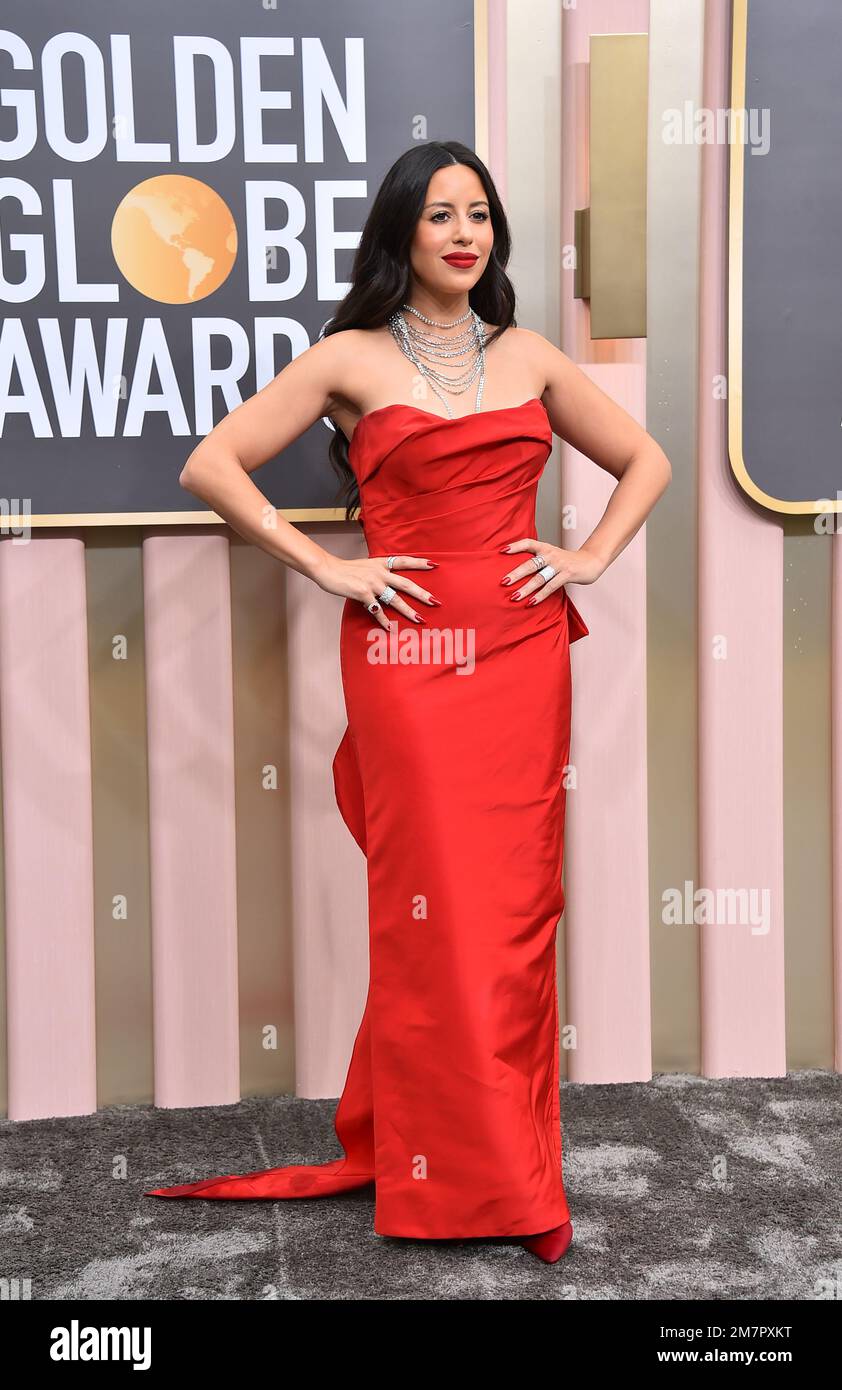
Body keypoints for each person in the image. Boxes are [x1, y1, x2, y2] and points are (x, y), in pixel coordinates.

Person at [145, 140, 671, 1264]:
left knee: (514, 916)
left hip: (522, 655)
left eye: (477, 213)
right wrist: (325, 565)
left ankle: (508, 1171)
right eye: (438, 215)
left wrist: (585, 559)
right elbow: (212, 464)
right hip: (409, 663)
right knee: (434, 913)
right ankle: (449, 1178)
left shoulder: (529, 354)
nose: (462, 233)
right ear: (400, 233)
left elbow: (647, 462)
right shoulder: (348, 357)